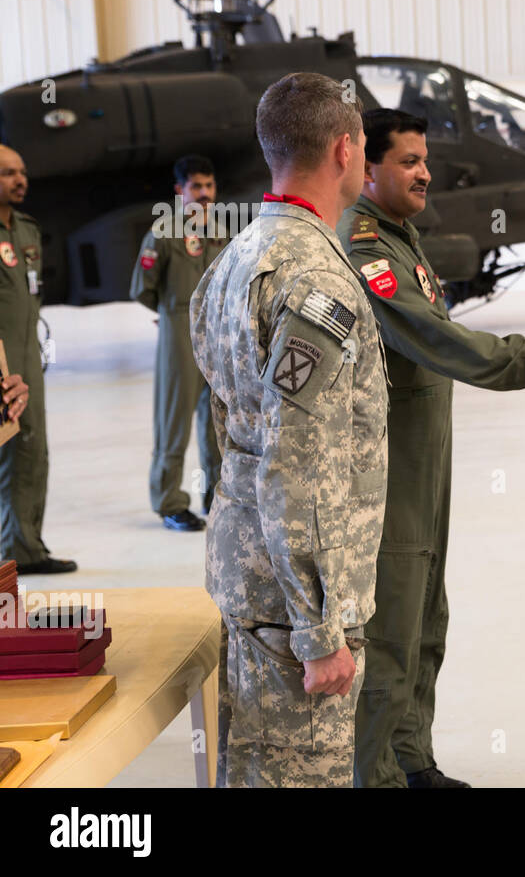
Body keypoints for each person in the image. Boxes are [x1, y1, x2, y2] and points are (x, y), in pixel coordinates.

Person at [339, 108, 525, 789]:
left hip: (428, 464)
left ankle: (411, 760)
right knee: (393, 630)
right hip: (391, 473)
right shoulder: (366, 245)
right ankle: (374, 778)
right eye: (407, 161)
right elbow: (440, 340)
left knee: (426, 617)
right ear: (367, 168)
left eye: (425, 159)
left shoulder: (404, 237)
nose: (425, 171)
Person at [190, 73, 388, 787]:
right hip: (289, 608)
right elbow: (297, 465)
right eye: (364, 147)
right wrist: (318, 631)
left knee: (246, 770)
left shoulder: (234, 259)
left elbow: (227, 421)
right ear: (343, 150)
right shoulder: (318, 284)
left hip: (246, 576)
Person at [130, 155, 228, 531]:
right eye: (196, 187)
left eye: (209, 186)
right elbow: (142, 288)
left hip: (217, 333)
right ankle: (169, 501)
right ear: (179, 190)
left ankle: (215, 497)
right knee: (174, 423)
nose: (204, 194)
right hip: (179, 331)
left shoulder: (222, 230)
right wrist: (173, 312)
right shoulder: (163, 233)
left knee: (216, 423)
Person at [0, 144, 73, 575]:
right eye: (8, 173)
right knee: (8, 452)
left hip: (29, 361)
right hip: (2, 365)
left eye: (22, 171)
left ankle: (25, 548)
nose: (20, 179)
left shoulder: (26, 229)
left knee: (32, 451)